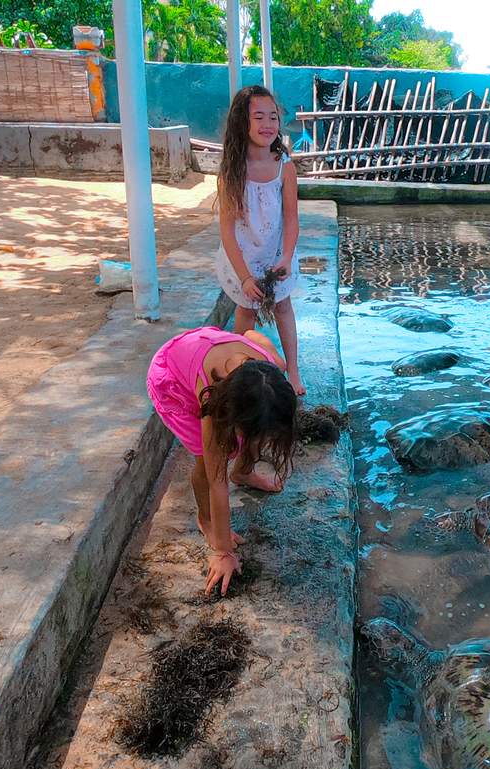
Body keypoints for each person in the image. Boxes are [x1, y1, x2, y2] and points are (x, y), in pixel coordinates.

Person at [147, 325, 297, 594]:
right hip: (173, 379)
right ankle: (205, 521)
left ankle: (243, 472)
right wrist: (223, 551)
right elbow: (216, 482)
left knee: (254, 430)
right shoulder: (213, 402)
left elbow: (251, 335)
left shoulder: (272, 369)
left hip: (209, 344)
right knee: (208, 463)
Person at [214, 85, 305, 396]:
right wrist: (244, 276)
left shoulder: (285, 167)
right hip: (245, 255)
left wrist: (286, 257)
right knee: (246, 311)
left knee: (283, 307)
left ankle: (292, 371)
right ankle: (237, 374)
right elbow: (226, 230)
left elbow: (291, 218)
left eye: (273, 117)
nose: (268, 124)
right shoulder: (233, 170)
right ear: (243, 122)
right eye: (258, 117)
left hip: (277, 252)